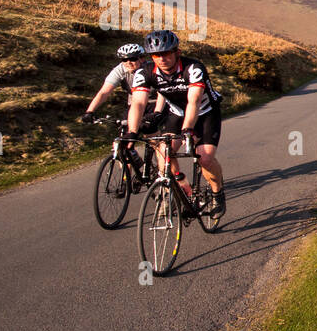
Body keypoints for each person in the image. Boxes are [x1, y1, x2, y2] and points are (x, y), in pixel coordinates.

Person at [126, 30, 226, 218]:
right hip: (177, 113)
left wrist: (188, 130)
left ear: (177, 52)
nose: (162, 59)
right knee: (164, 153)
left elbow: (194, 101)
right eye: (156, 55)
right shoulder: (144, 72)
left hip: (205, 113)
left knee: (205, 158)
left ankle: (217, 193)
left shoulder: (193, 68)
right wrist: (132, 131)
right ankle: (182, 189)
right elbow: (138, 103)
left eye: (166, 53)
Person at [81, 44, 162, 172]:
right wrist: (89, 111)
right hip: (134, 104)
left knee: (152, 138)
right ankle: (127, 178)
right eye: (124, 59)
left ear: (142, 58)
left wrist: (157, 112)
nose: (128, 62)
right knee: (120, 144)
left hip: (154, 102)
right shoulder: (120, 70)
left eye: (132, 59)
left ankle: (163, 172)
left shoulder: (152, 69)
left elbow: (163, 92)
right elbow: (104, 92)